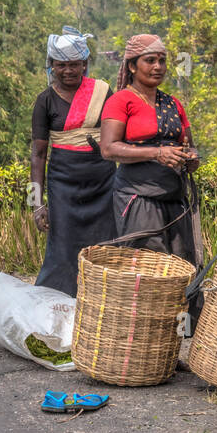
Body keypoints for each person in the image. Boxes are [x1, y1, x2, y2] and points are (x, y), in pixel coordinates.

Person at [97, 34, 200, 267]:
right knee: (147, 266)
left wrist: (191, 159)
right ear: (132, 66)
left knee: (180, 266)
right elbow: (108, 149)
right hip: (139, 199)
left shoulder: (173, 104)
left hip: (175, 199)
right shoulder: (121, 101)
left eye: (162, 61)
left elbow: (189, 145)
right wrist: (157, 153)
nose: (158, 67)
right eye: (150, 60)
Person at [30, 27, 117, 297]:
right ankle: (58, 306)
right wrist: (37, 203)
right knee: (62, 247)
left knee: (104, 246)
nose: (68, 71)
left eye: (74, 65)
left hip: (103, 183)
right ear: (52, 66)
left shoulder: (103, 92)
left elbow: (117, 137)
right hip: (63, 186)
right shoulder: (45, 101)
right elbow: (38, 155)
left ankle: (101, 302)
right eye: (61, 65)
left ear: (85, 64)